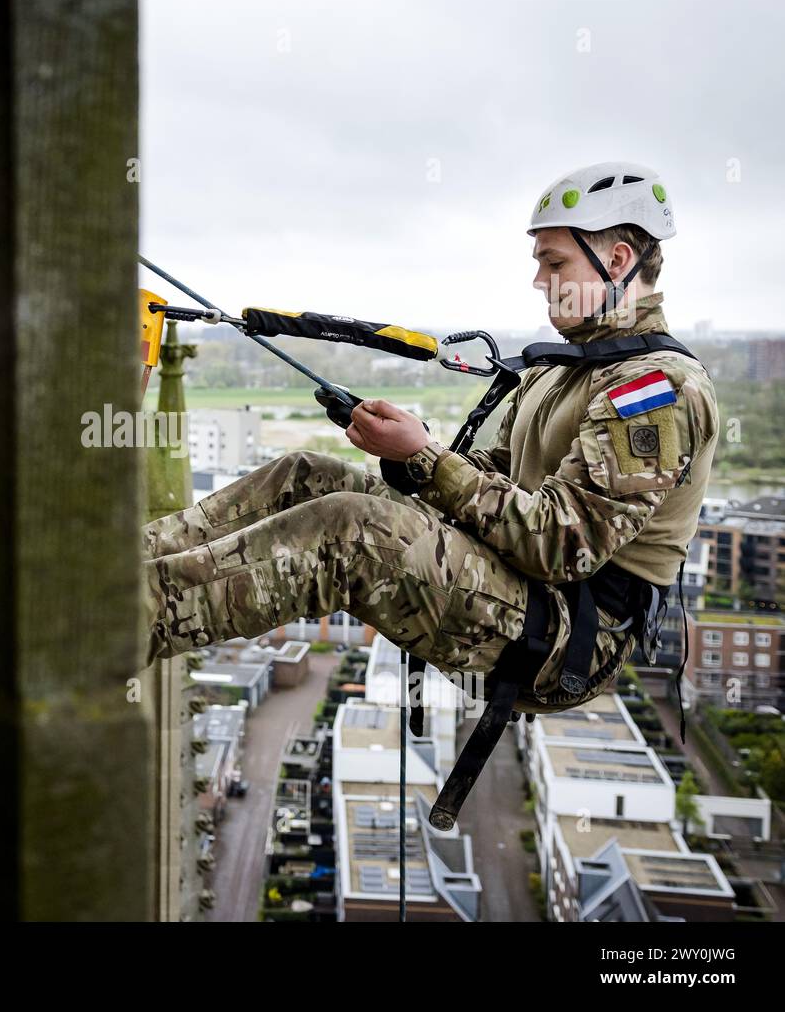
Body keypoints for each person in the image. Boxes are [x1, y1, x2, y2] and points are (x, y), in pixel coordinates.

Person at [141, 163, 719, 727]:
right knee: (306, 473)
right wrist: (406, 453)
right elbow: (493, 476)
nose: (539, 280)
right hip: (518, 586)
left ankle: (116, 624)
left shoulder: (657, 390)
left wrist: (424, 457)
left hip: (564, 633)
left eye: (553, 262)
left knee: (353, 529)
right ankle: (123, 564)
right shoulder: (564, 372)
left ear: (617, 260)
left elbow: (564, 545)